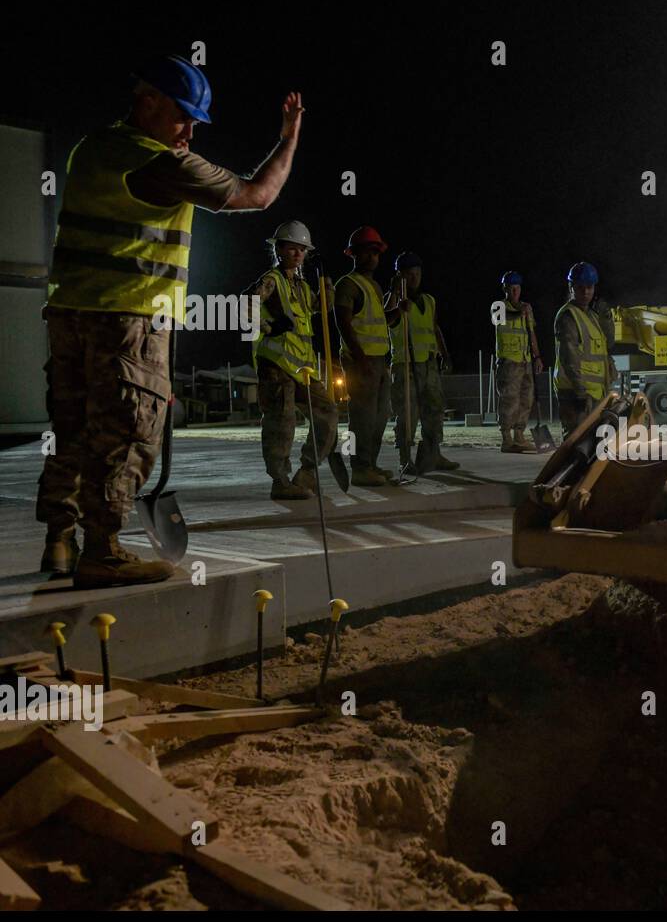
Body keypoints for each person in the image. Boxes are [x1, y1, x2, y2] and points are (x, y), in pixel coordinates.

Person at [39, 53, 301, 588]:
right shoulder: (160, 163)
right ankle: (104, 551)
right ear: (147, 101)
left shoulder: (91, 149)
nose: (188, 131)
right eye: (182, 116)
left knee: (73, 429)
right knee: (127, 433)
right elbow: (259, 194)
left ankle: (60, 542)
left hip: (70, 314)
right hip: (130, 320)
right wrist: (289, 138)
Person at [246, 221, 339, 499]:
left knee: (328, 414)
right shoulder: (272, 280)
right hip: (276, 365)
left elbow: (320, 307)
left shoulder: (301, 286)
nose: (298, 254)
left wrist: (327, 281)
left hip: (301, 368)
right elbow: (244, 304)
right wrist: (268, 327)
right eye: (292, 248)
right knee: (281, 424)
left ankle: (307, 472)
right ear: (279, 250)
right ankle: (281, 482)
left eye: (302, 249)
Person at [333, 226, 403, 486]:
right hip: (360, 361)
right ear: (354, 254)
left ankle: (370, 464)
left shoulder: (372, 285)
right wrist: (360, 358)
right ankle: (360, 468)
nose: (373, 257)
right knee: (362, 417)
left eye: (376, 252)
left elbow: (380, 321)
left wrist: (397, 311)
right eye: (367, 252)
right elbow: (343, 322)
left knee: (380, 415)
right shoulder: (347, 285)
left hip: (379, 360)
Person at [391, 251, 458, 472]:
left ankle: (432, 454)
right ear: (400, 275)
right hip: (406, 365)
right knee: (408, 414)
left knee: (435, 410)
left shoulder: (429, 300)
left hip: (429, 364)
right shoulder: (394, 299)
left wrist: (445, 355)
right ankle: (404, 458)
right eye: (409, 274)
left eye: (417, 273)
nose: (414, 278)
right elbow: (387, 318)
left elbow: (435, 328)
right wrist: (396, 295)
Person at [553, 261, 615, 437]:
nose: (586, 292)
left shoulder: (591, 316)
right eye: (581, 287)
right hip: (576, 394)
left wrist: (606, 319)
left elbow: (607, 346)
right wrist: (579, 391)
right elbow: (569, 356)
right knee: (575, 444)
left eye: (590, 287)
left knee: (591, 447)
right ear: (571, 287)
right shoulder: (568, 316)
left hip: (594, 394)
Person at [495, 270, 543, 453]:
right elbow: (500, 319)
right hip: (508, 363)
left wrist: (537, 357)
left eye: (517, 288)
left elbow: (532, 334)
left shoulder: (526, 307)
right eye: (511, 288)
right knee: (509, 400)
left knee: (526, 399)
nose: (515, 292)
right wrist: (518, 314)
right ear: (505, 289)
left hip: (526, 361)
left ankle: (519, 436)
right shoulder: (498, 306)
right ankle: (506, 439)